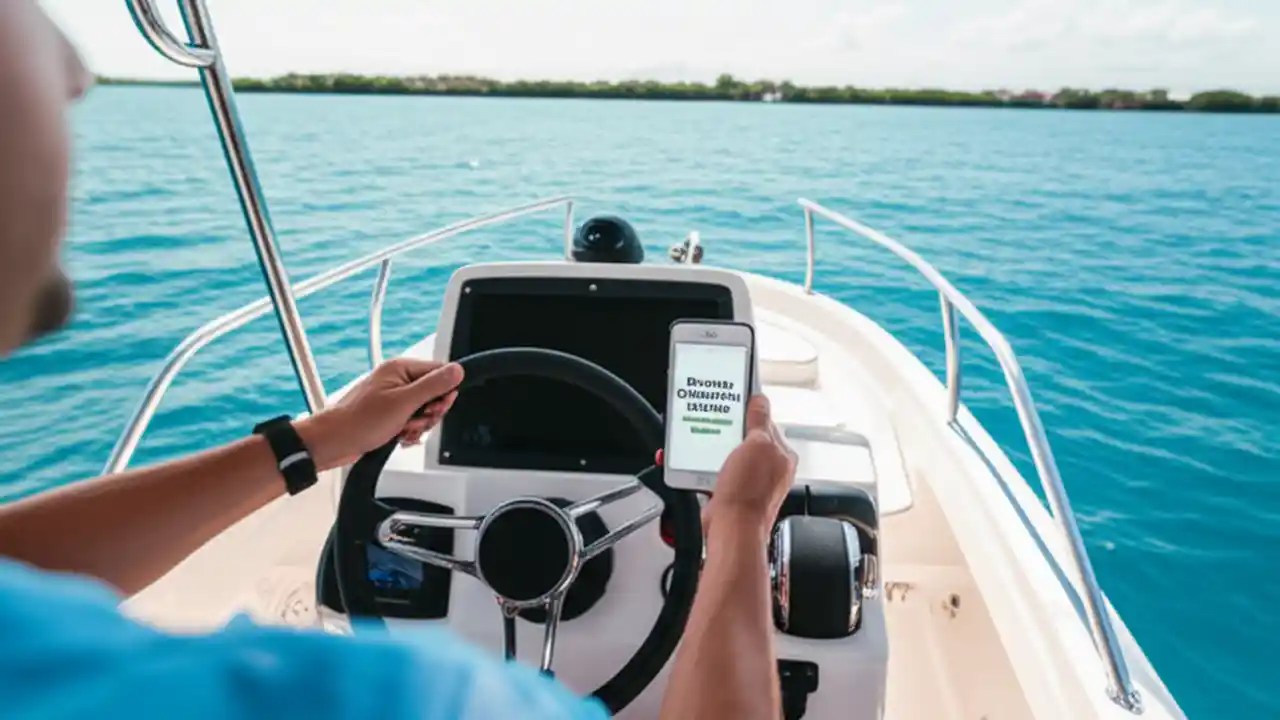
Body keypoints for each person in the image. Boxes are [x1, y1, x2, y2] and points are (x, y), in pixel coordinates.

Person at [0, 2, 798, 719]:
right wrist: (737, 525)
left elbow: (18, 565)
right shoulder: (402, 697)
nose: (76, 69)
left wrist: (319, 441)